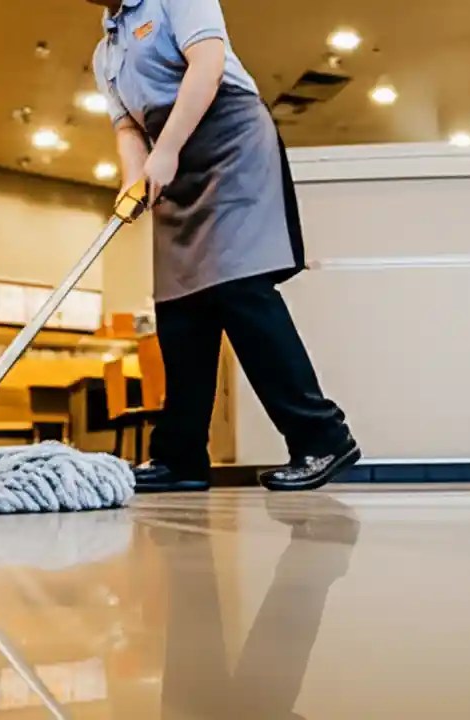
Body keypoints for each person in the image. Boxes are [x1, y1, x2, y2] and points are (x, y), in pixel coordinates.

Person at [89, 0, 360, 493]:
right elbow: (128, 127)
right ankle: (180, 457)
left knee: (240, 290)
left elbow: (208, 67)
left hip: (228, 143)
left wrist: (166, 150)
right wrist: (133, 180)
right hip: (174, 165)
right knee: (179, 310)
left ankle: (321, 436)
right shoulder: (104, 53)